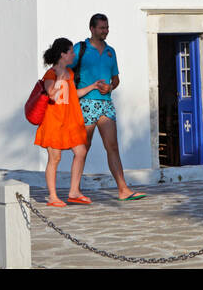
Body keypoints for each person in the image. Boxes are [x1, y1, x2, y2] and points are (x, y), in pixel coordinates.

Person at [71, 13, 146, 200]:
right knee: (82, 148)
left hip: (106, 104)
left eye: (107, 27)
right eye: (102, 28)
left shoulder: (111, 51)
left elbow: (116, 79)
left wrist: (110, 86)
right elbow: (66, 70)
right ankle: (74, 191)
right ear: (92, 29)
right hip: (85, 103)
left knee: (112, 146)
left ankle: (123, 189)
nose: (106, 31)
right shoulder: (80, 48)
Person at [35, 37, 97, 207]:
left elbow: (72, 94)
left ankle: (74, 191)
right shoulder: (51, 74)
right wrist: (60, 79)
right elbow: (52, 94)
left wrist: (92, 87)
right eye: (71, 52)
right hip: (53, 122)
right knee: (55, 158)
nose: (73, 55)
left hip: (69, 122)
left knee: (81, 151)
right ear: (63, 54)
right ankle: (53, 196)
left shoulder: (69, 73)